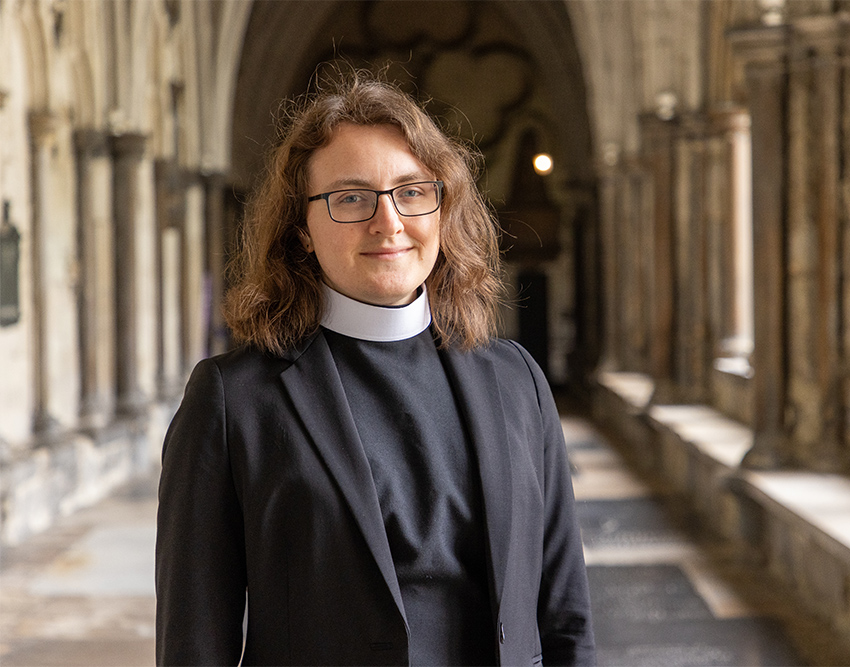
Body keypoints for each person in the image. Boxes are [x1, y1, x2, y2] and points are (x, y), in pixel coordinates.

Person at [154, 73, 595, 667]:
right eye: (352, 197)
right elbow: (193, 646)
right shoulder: (234, 401)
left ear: (441, 208)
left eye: (412, 191)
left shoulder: (516, 379)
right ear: (301, 229)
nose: (388, 222)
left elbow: (565, 619)